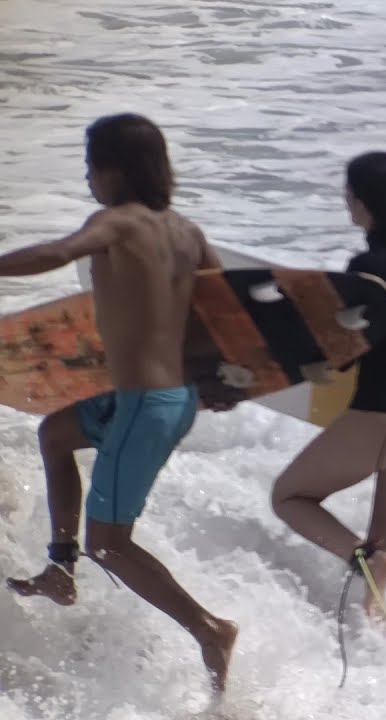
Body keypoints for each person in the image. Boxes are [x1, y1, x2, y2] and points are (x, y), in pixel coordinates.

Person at [2, 113, 239, 693]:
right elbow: (221, 314)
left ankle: (209, 629)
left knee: (111, 544)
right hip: (159, 396)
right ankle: (59, 565)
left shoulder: (116, 221)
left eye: (91, 166)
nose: (87, 178)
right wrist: (221, 381)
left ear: (114, 169)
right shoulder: (186, 232)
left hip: (143, 403)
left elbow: (60, 252)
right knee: (56, 435)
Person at [269, 151, 386, 617]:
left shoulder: (370, 264)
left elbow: (344, 348)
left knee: (289, 497)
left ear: (360, 200)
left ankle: (366, 560)